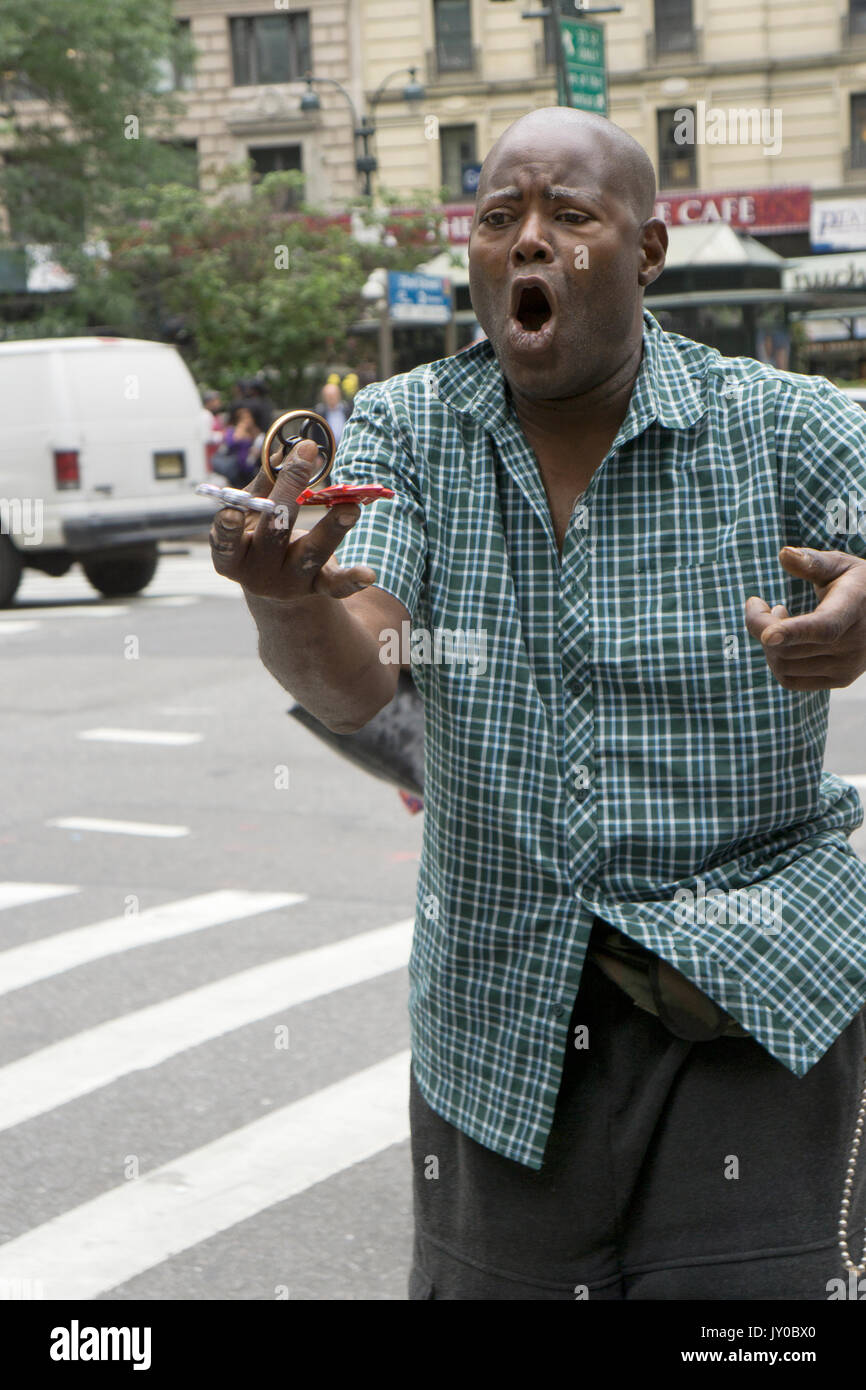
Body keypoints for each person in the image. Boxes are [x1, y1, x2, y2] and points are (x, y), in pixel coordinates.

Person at [209, 106, 866, 1300]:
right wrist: (288, 604)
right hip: (502, 1012)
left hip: (753, 1005)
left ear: (646, 254)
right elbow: (362, 672)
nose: (526, 241)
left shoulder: (777, 424)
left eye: (569, 215)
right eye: (498, 216)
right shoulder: (412, 429)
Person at [314, 379, 352, 446]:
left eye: (333, 395)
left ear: (339, 395)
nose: (331, 398)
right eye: (328, 396)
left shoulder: (348, 410)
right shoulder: (319, 413)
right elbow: (315, 437)